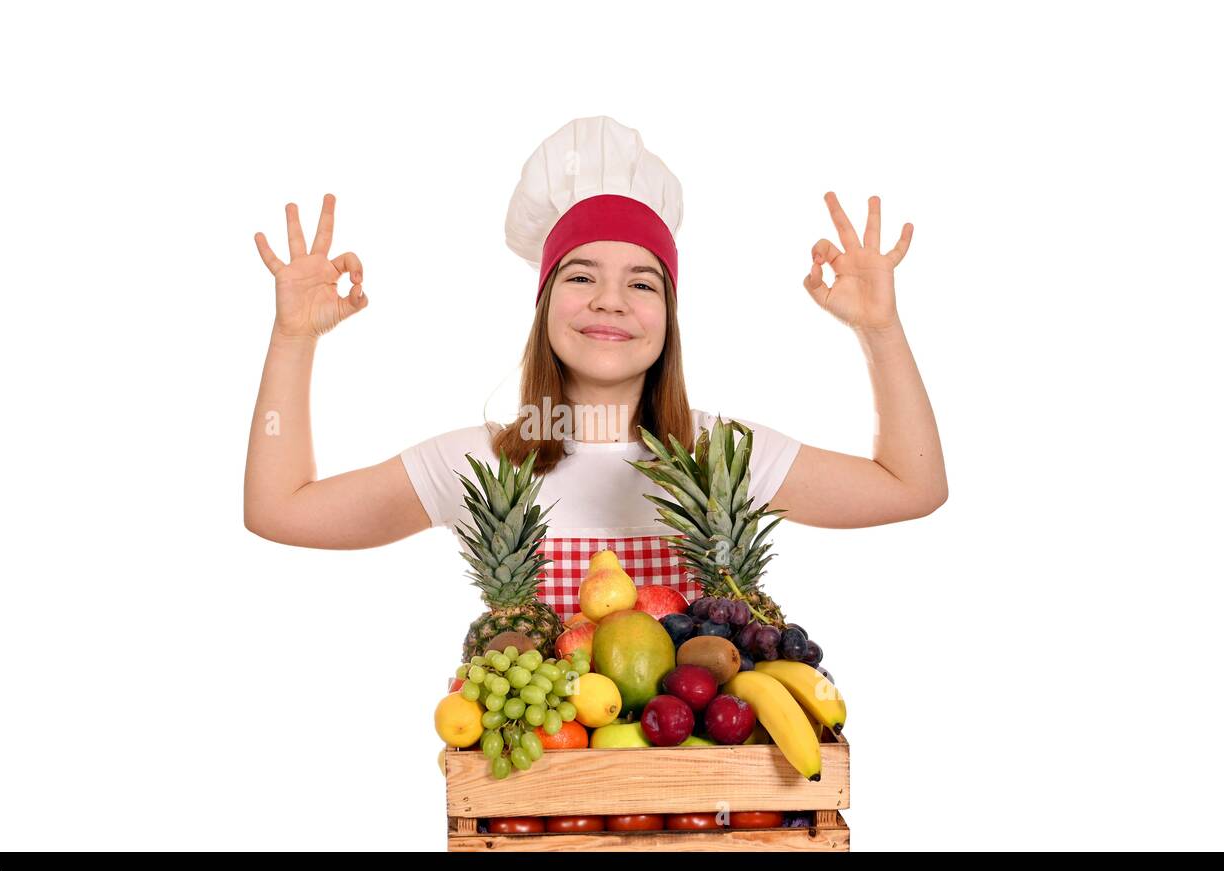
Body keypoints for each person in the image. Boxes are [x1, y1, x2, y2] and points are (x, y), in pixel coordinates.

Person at [244, 116, 948, 625]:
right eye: (582, 276)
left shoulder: (722, 458)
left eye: (643, 283)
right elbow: (280, 509)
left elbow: (912, 486)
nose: (611, 299)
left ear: (669, 318)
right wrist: (292, 338)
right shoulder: (481, 463)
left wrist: (879, 331)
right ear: (545, 303)